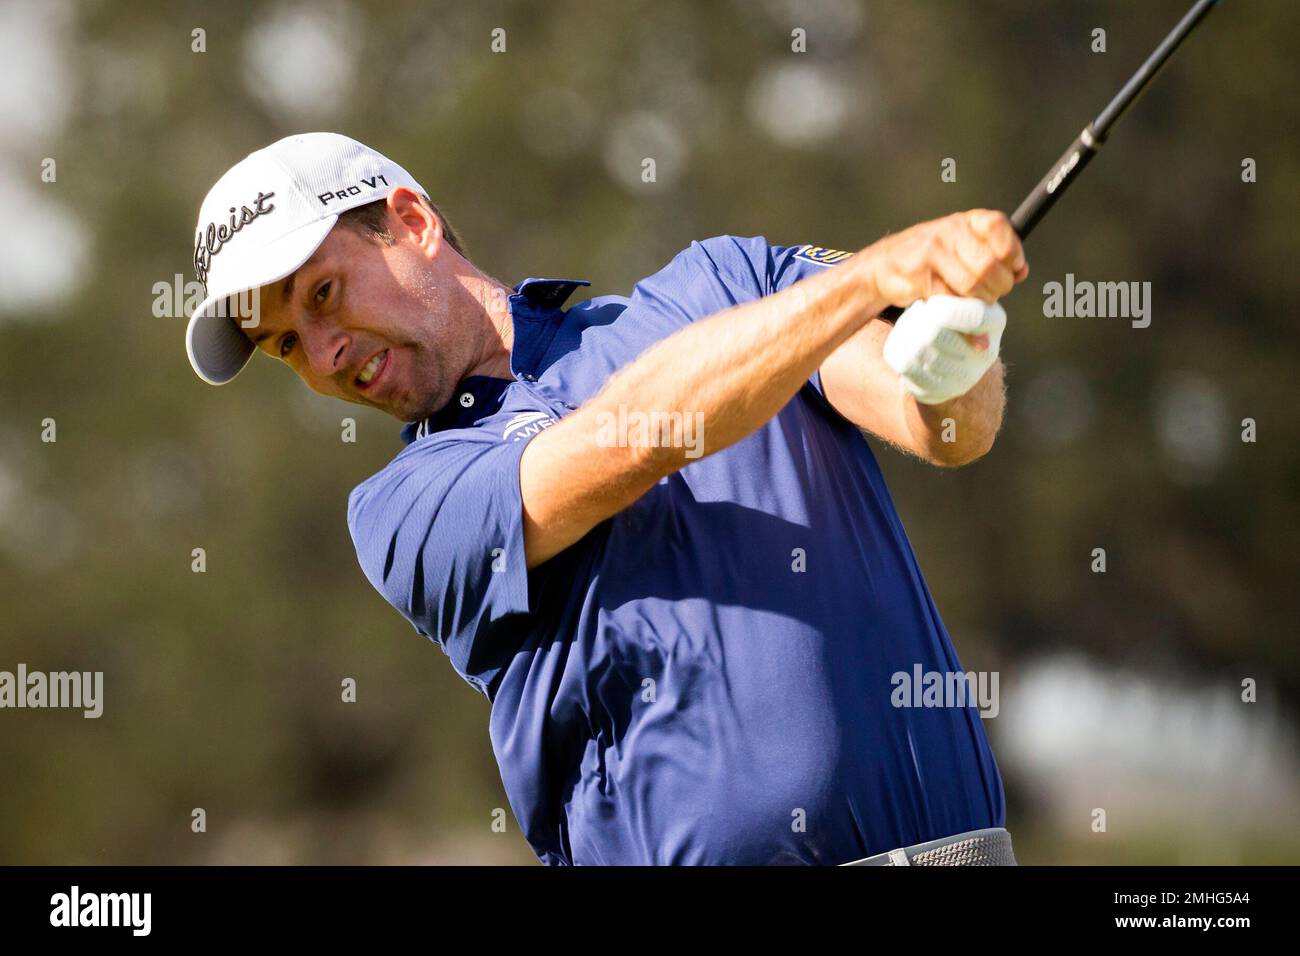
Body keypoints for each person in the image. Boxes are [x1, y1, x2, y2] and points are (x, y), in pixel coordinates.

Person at [186, 132, 1028, 865]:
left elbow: (949, 428)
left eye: (324, 294)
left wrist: (954, 346)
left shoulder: (730, 282)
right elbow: (630, 440)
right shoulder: (403, 509)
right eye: (286, 343)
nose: (325, 356)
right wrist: (869, 279)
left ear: (411, 220)